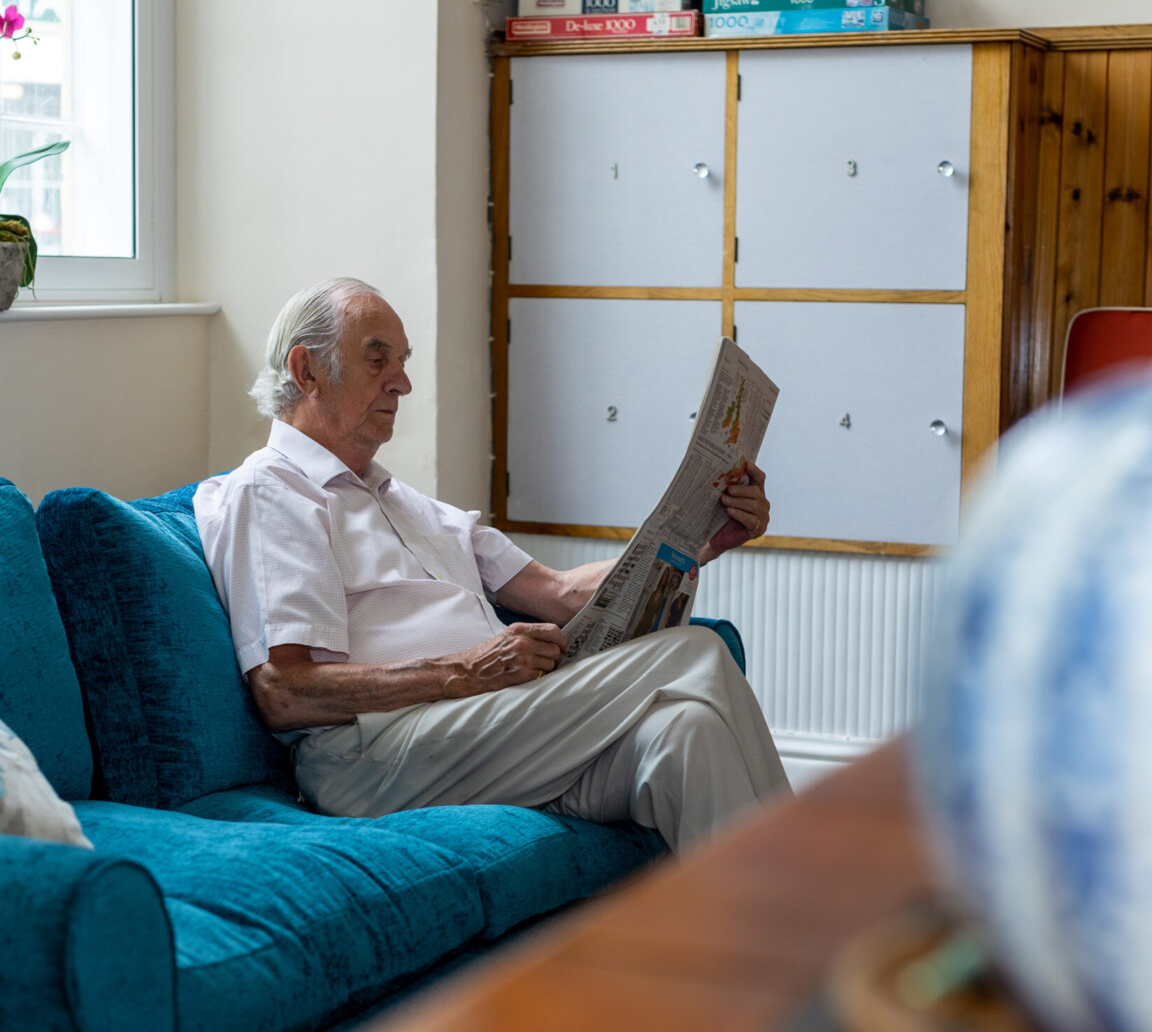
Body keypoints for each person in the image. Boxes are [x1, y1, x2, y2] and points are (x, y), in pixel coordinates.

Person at [195, 278, 790, 850]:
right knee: (695, 652)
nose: (401, 383)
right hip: (372, 756)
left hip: (484, 729)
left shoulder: (406, 502)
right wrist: (468, 671)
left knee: (685, 735)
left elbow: (559, 593)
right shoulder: (272, 491)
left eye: (403, 362)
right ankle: (837, 911)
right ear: (306, 372)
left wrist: (703, 538)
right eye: (378, 361)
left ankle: (771, 951)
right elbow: (284, 692)